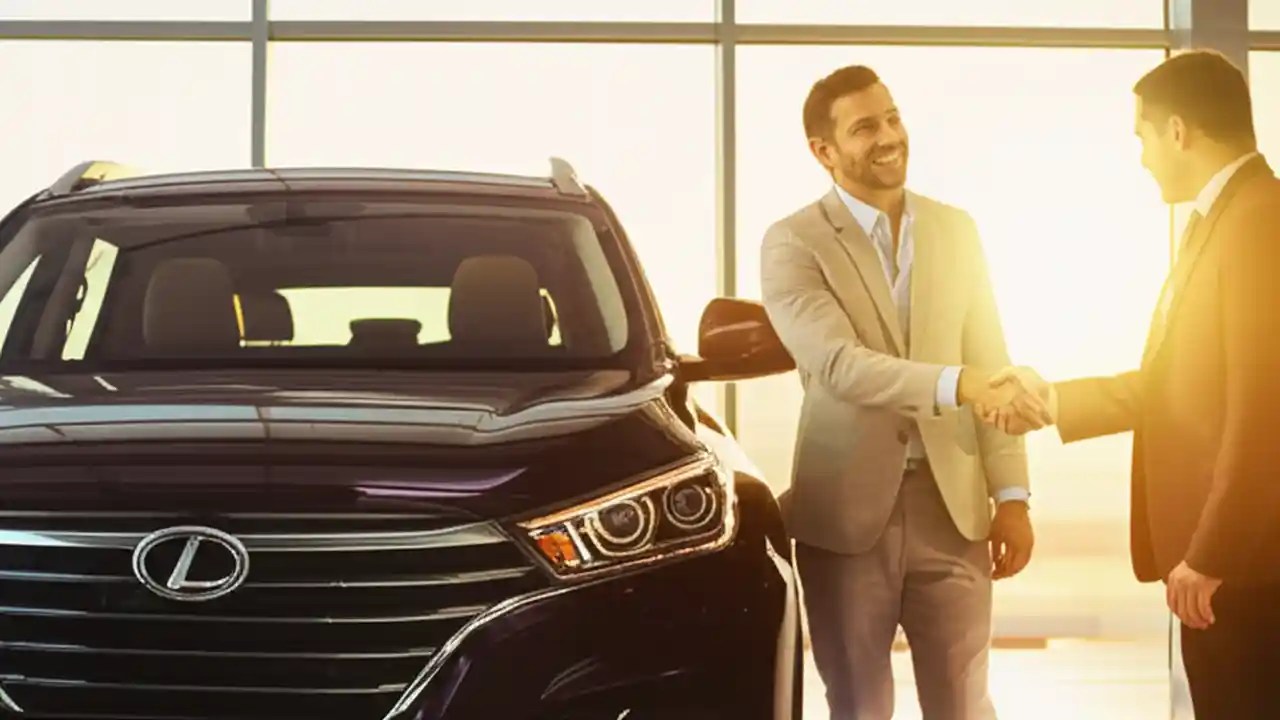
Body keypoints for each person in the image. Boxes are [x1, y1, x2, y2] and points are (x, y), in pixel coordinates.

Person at [983, 49, 1280, 720]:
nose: (1142, 157)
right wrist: (1051, 399)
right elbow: (1176, 386)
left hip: (1245, 569)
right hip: (1228, 567)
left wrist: (1212, 554)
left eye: (1143, 136)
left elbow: (1264, 411)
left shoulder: (1259, 220)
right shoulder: (1224, 220)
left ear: (1178, 131)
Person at [759, 64, 1034, 720]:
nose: (888, 137)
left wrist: (1013, 495)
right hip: (846, 515)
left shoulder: (955, 229)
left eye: (892, 118)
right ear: (823, 151)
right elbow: (840, 365)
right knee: (859, 705)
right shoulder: (793, 242)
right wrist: (957, 384)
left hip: (954, 507)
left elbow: (990, 360)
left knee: (965, 704)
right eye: (864, 128)